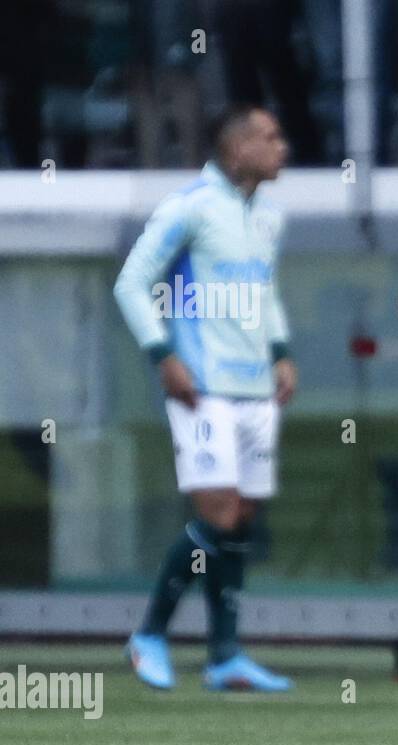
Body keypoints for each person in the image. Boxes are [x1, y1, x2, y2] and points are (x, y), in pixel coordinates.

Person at [115, 105, 297, 692]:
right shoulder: (189, 207)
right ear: (237, 148)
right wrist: (162, 355)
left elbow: (263, 291)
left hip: (254, 389)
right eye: (271, 137)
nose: (283, 147)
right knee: (217, 512)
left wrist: (281, 353)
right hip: (202, 386)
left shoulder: (266, 217)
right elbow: (132, 283)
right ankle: (148, 636)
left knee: (240, 516)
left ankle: (224, 654)